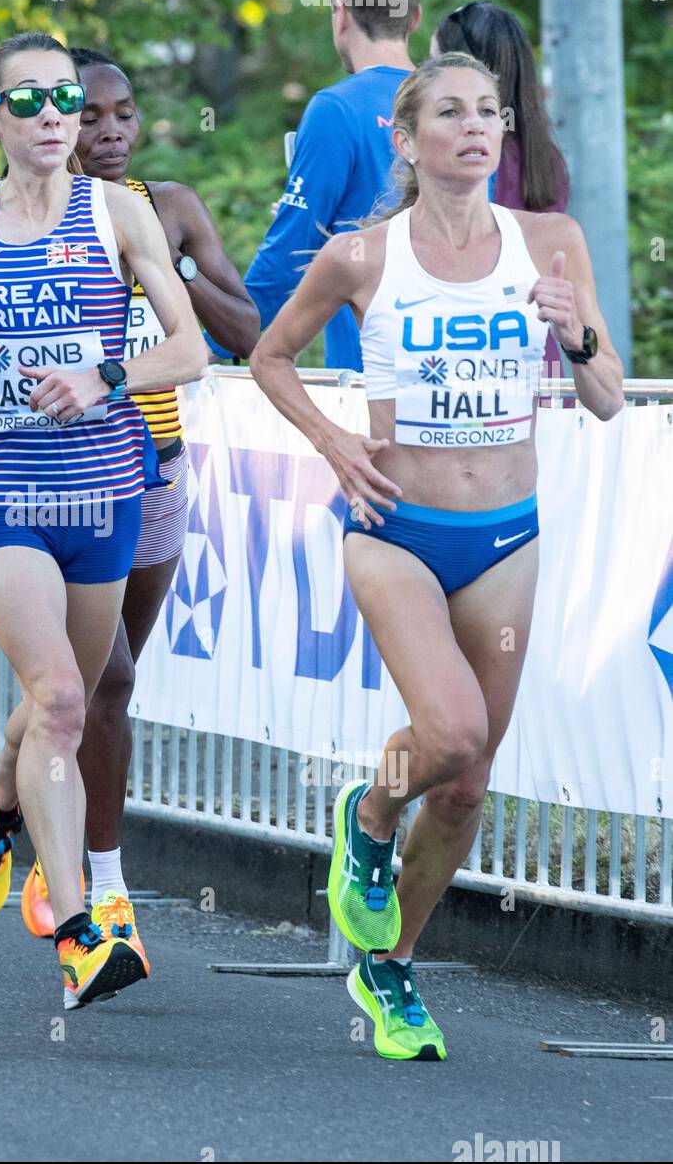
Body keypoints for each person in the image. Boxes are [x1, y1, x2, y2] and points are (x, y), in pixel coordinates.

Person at [251, 52, 623, 1060]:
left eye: (487, 113)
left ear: (503, 133)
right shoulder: (360, 257)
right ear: (405, 140)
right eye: (448, 113)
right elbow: (266, 355)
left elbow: (603, 397)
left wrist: (576, 338)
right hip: (393, 528)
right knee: (448, 729)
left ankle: (390, 966)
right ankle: (368, 813)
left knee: (463, 780)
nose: (472, 127)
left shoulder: (547, 243)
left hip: (504, 535)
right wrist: (332, 443)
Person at [0, 32, 206, 1010]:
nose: (54, 115)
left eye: (65, 100)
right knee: (52, 698)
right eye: (30, 99)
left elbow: (191, 346)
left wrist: (103, 376)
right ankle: (83, 929)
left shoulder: (118, 212)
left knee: (68, 701)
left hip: (104, 493)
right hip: (1, 495)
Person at [0, 45, 255, 954]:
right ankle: (98, 889)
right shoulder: (9, 219)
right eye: (85, 113)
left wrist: (166, 273)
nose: (104, 131)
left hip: (157, 467)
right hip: (54, 473)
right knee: (96, 682)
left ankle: (6, 791)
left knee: (98, 683)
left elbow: (246, 332)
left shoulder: (165, 210)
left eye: (118, 114)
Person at [245, 0, 424, 372]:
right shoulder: (460, 105)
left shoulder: (337, 108)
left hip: (368, 375)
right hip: (465, 366)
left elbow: (291, 247)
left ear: (341, 13)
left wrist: (219, 337)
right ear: (414, 18)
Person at [430, 1, 572, 401]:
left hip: (470, 366)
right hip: (536, 364)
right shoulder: (547, 160)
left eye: (435, 64)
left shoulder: (467, 159)